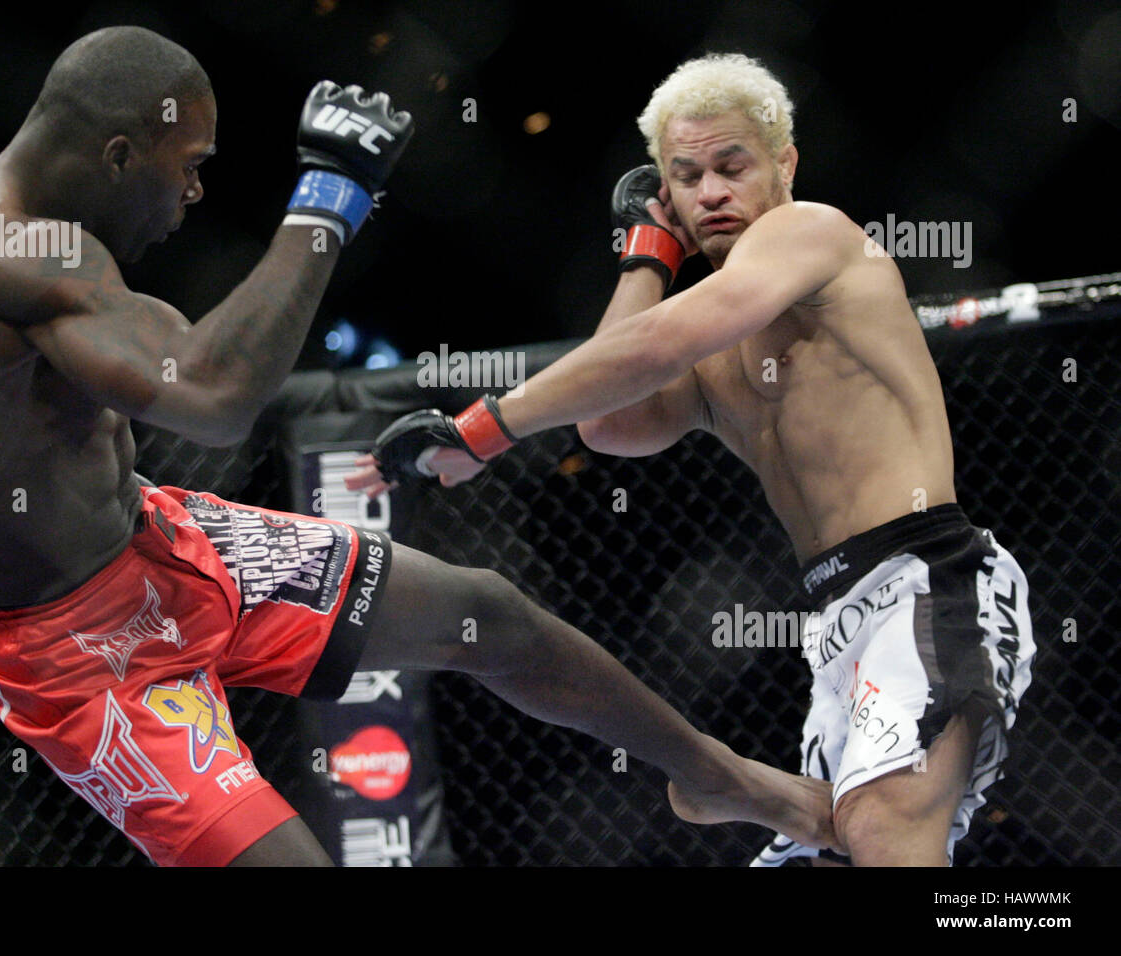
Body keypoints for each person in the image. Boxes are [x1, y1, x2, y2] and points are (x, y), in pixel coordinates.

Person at [0, 29, 838, 866]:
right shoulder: (14, 254)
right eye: (187, 164)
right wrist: (325, 201)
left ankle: (730, 782)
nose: (194, 191)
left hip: (161, 541)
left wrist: (7, 416)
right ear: (117, 154)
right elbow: (214, 398)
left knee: (488, 613)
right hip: (80, 654)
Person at [349, 53, 1036, 867]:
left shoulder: (812, 233)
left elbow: (660, 341)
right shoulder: (715, 356)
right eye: (686, 176)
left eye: (731, 167)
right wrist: (647, 256)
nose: (709, 192)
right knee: (840, 843)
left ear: (784, 164)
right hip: (837, 617)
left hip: (929, 577)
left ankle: (728, 779)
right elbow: (610, 421)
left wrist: (483, 429)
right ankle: (734, 782)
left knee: (884, 829)